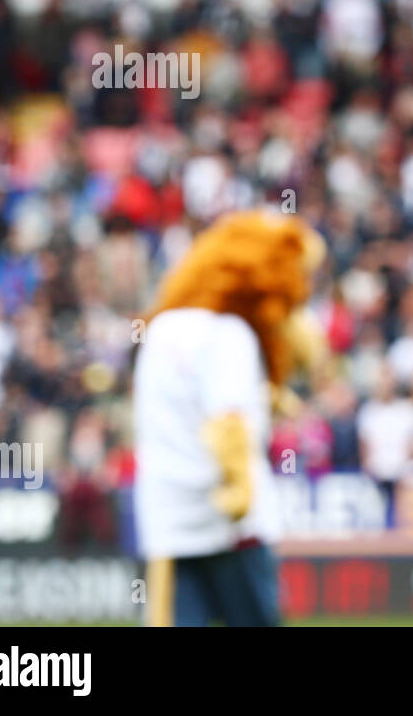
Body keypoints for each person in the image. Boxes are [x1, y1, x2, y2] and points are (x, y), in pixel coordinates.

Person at [133, 210, 326, 626]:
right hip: (233, 525)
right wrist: (240, 489)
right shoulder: (227, 334)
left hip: (170, 519)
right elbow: (229, 420)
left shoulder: (160, 330)